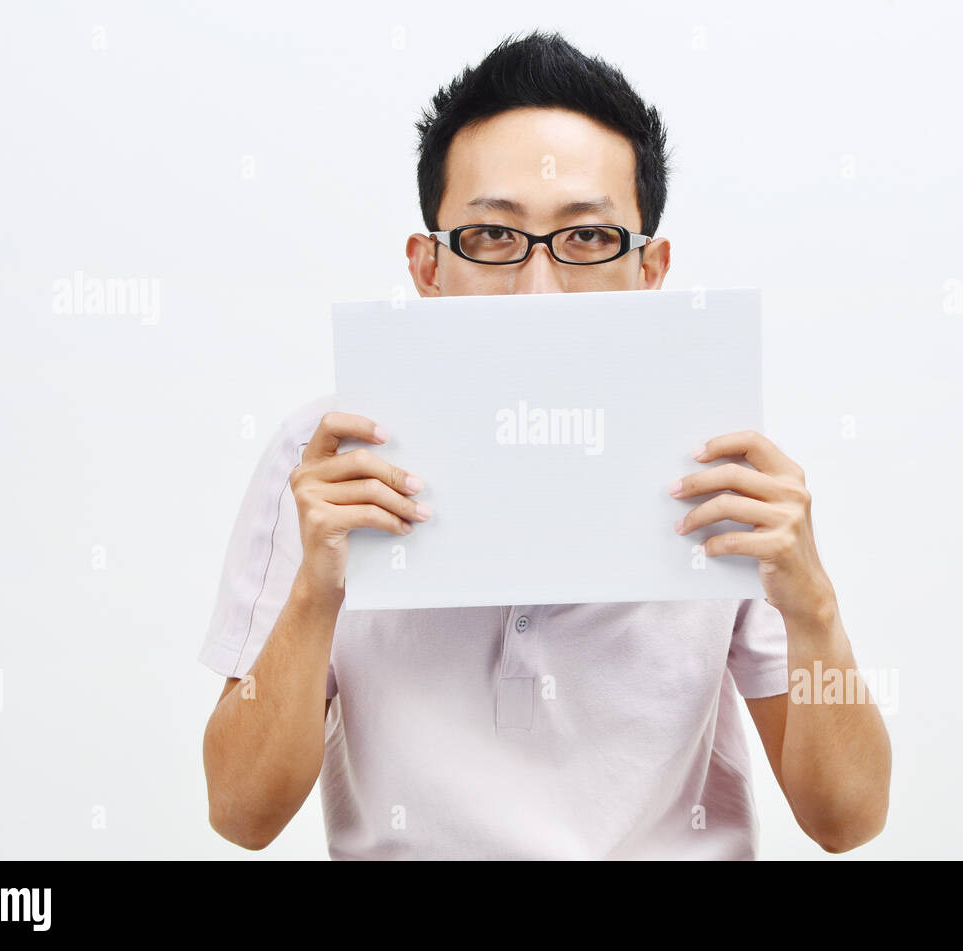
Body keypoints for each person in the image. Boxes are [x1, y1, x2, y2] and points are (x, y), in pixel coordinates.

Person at [199, 29, 891, 859]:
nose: (538, 287)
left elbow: (847, 818)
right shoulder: (323, 458)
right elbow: (242, 812)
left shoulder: (722, 466)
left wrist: (812, 605)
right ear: (427, 267)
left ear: (650, 268)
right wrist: (317, 589)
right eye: (492, 237)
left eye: (588, 239)